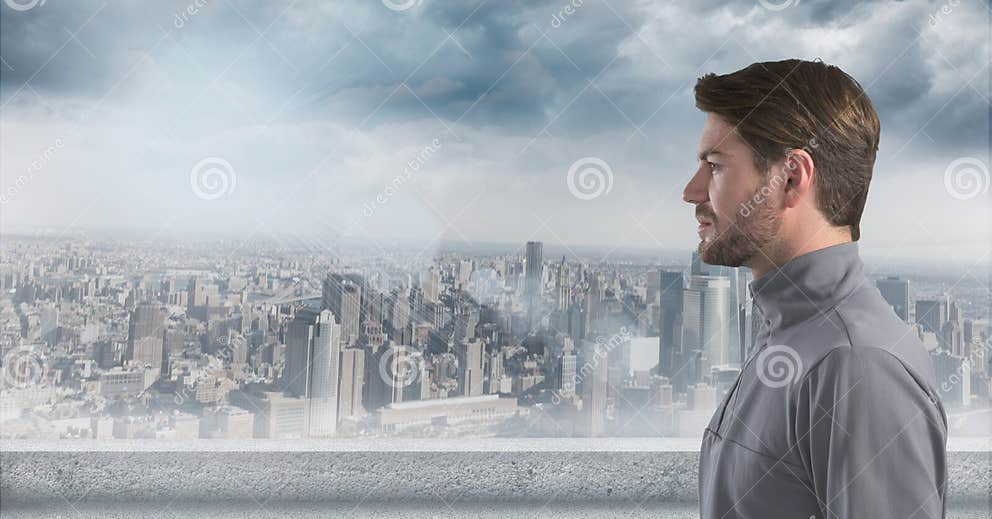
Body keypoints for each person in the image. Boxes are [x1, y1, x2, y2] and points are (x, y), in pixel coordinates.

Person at [683, 59, 947, 519]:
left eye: (715, 166)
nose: (691, 191)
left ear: (790, 179)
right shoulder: (795, 336)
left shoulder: (854, 365)